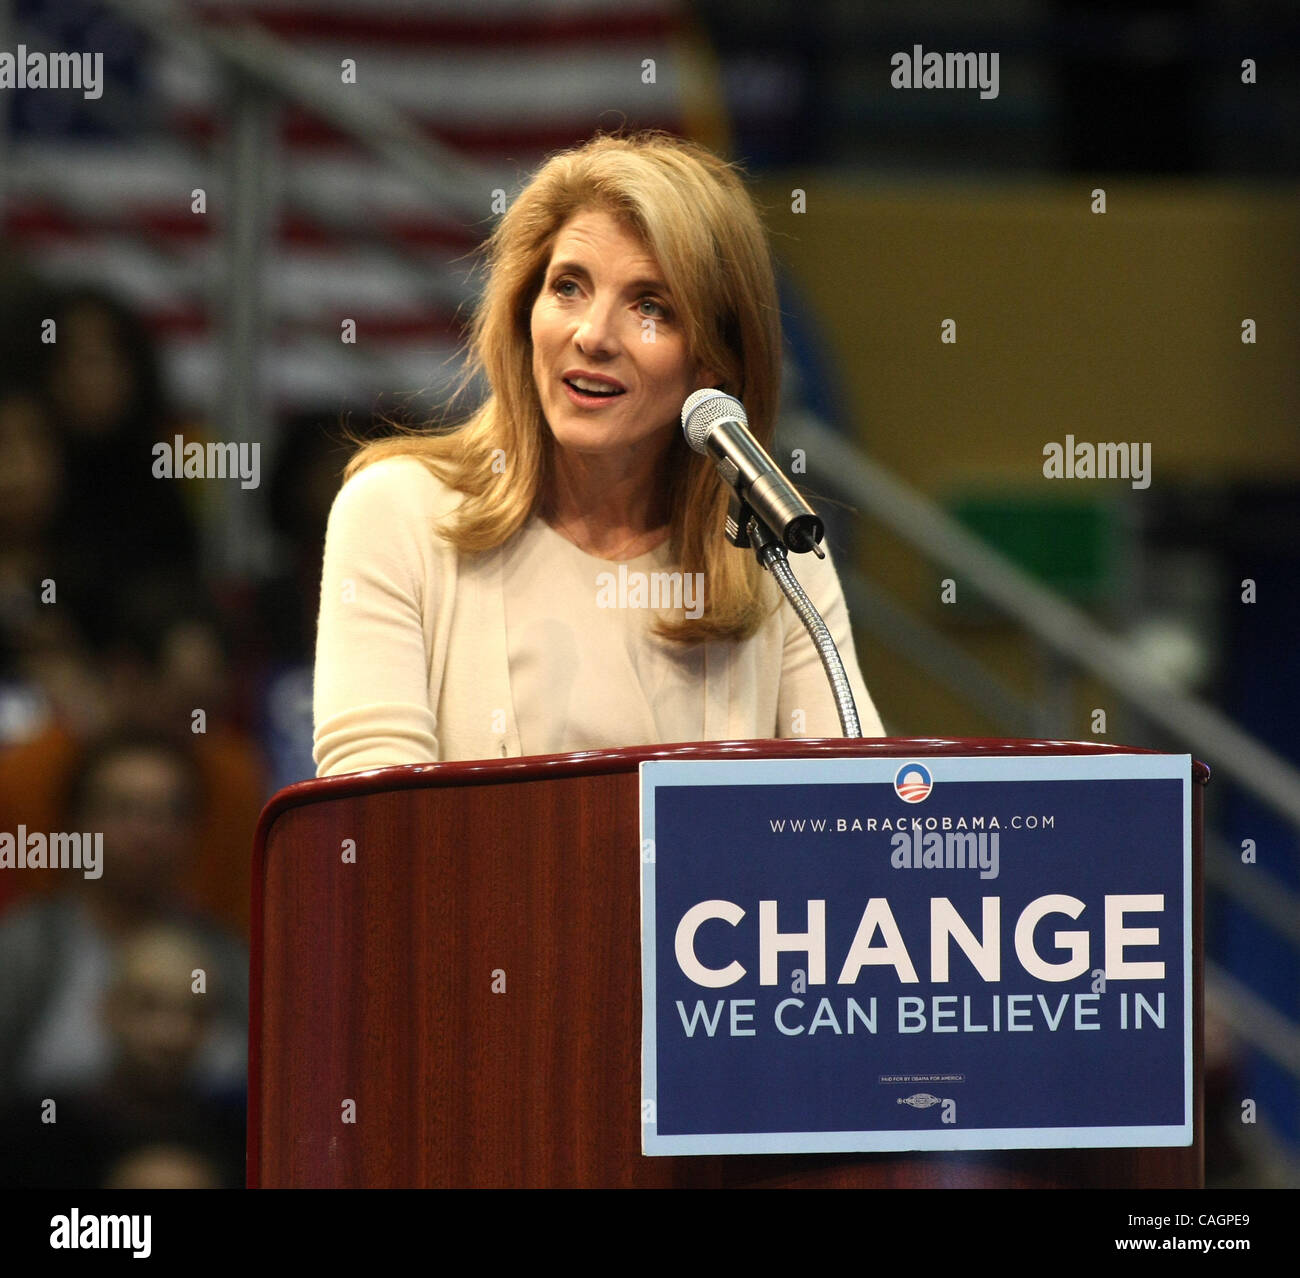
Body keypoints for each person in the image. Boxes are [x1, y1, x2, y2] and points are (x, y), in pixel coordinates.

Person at [313, 131, 884, 776]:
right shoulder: (398, 514)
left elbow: (852, 814)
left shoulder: (773, 558)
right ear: (525, 309)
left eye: (651, 307)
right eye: (569, 287)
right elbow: (370, 828)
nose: (592, 336)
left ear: (713, 365)